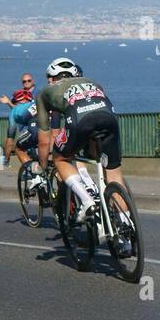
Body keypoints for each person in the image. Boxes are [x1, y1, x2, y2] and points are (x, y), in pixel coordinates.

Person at [36, 57, 128, 226]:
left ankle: (87, 202)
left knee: (60, 159)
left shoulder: (44, 93)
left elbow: (43, 140)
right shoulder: (92, 82)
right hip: (109, 119)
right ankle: (127, 229)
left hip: (80, 119)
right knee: (114, 174)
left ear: (51, 78)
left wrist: (42, 166)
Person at [5, 88, 42, 189]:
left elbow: (9, 140)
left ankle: (35, 176)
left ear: (16, 102)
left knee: (18, 148)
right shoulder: (37, 103)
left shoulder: (14, 111)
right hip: (50, 127)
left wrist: (6, 159)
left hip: (35, 127)